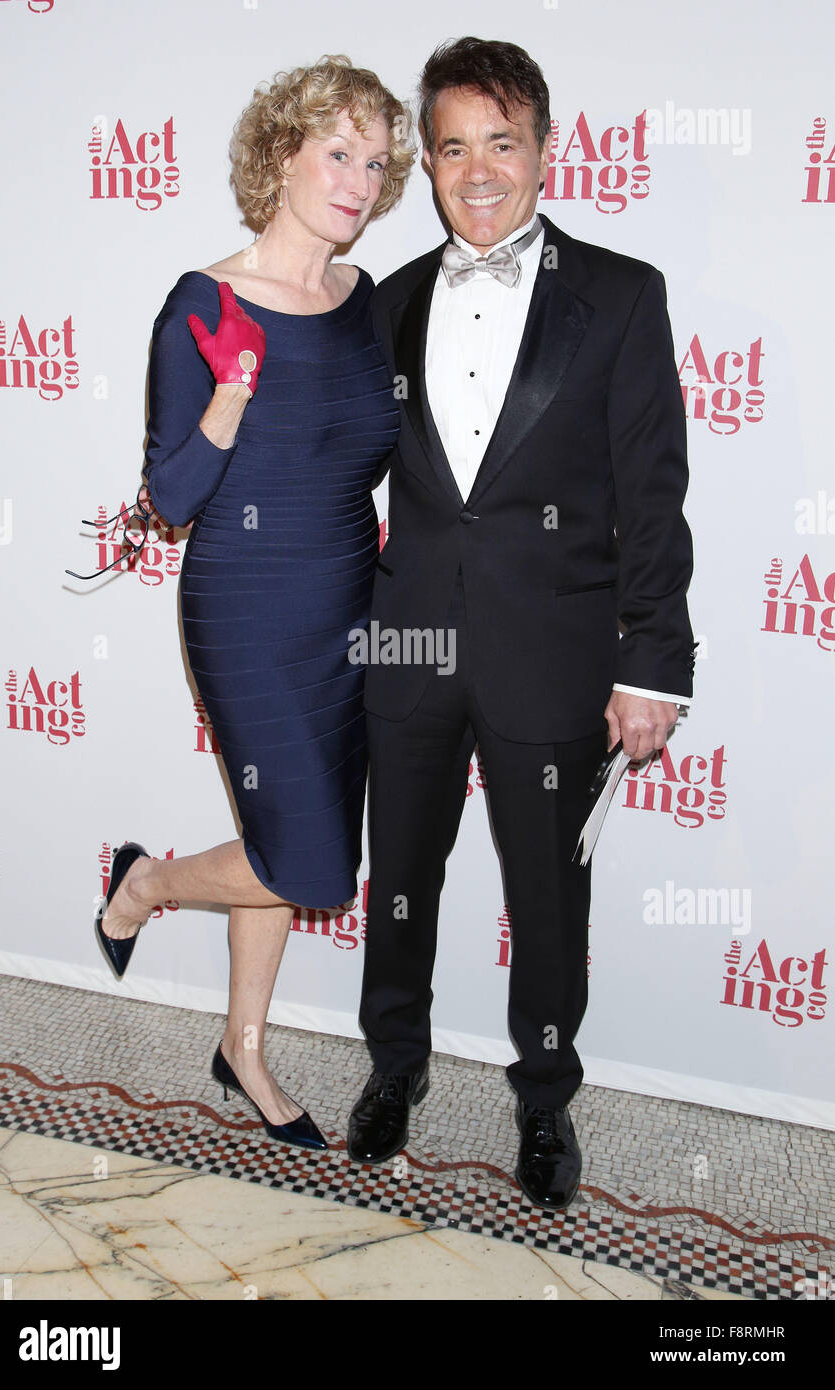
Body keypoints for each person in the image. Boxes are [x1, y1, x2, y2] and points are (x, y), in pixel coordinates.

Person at [346, 37, 695, 1209]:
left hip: (553, 649)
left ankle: (543, 1098)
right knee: (398, 873)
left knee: (546, 893)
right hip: (409, 646)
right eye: (453, 147)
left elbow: (650, 493)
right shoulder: (383, 304)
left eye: (502, 141)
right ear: (430, 166)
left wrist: (652, 663)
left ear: (545, 149)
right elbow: (345, 482)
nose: (478, 169)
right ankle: (393, 1066)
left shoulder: (621, 294)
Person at [92, 56, 413, 1151]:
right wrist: (231, 390)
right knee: (306, 861)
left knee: (291, 836)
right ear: (281, 155)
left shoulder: (362, 302)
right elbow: (168, 497)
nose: (359, 180)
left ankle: (243, 1046)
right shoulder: (202, 302)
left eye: (375, 163)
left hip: (349, 604)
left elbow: (379, 449)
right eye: (338, 152)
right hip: (244, 610)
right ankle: (147, 884)